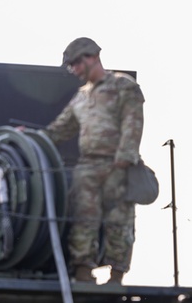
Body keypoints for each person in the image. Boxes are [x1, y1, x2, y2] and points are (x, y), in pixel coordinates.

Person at [44, 37, 144, 284]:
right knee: (83, 218)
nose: (74, 70)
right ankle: (83, 271)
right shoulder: (81, 97)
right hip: (87, 167)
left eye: (76, 64)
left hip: (117, 165)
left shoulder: (123, 85)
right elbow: (60, 129)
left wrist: (123, 159)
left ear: (91, 57)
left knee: (119, 220)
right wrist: (34, 138)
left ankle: (116, 275)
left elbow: (133, 122)